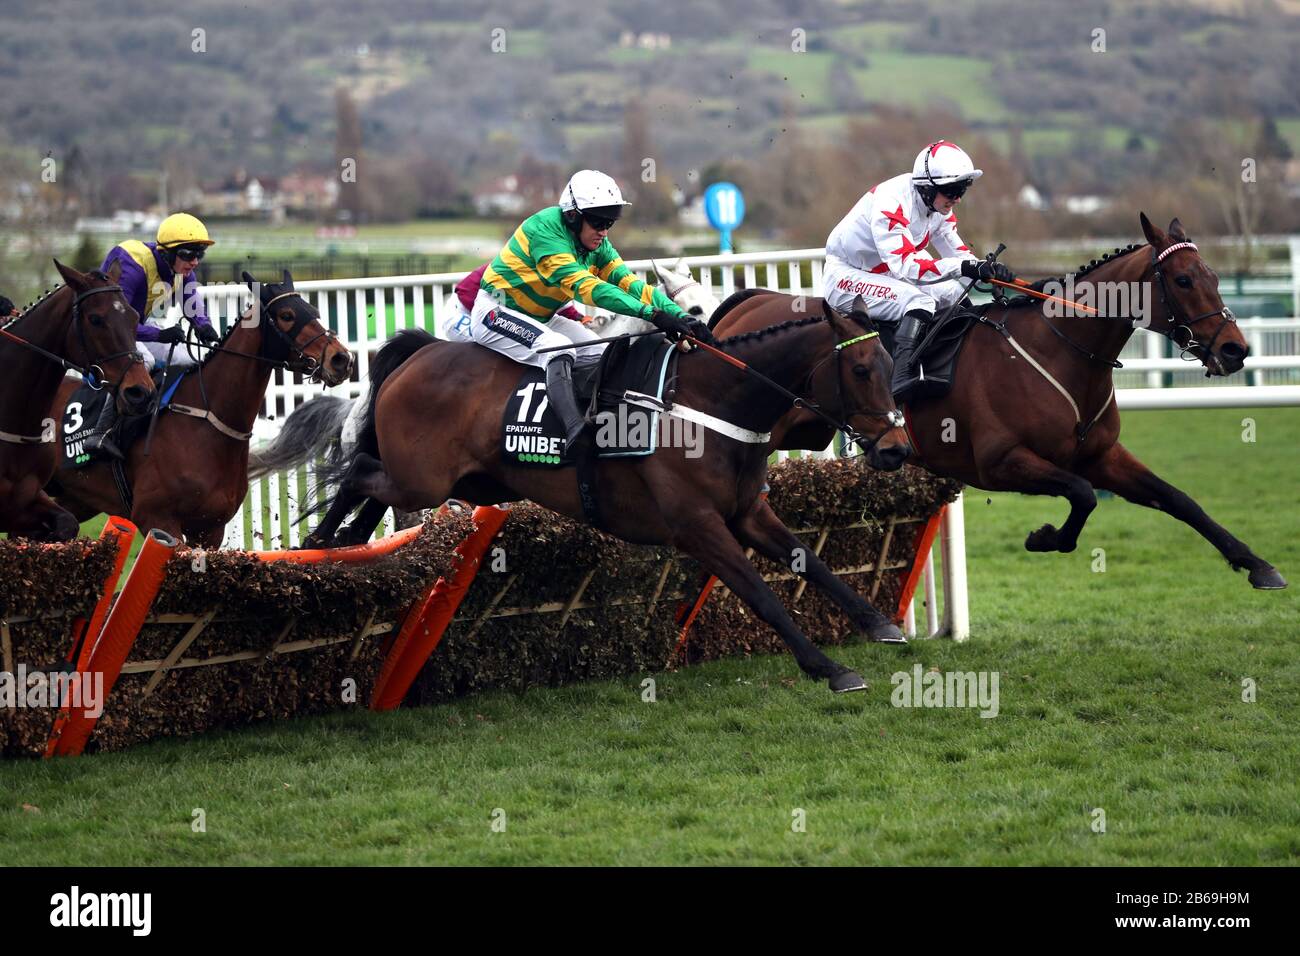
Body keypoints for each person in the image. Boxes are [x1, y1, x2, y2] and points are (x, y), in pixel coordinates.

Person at [470, 169, 712, 451]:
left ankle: (603, 419)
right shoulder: (544, 231)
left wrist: (679, 314)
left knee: (601, 354)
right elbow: (587, 288)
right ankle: (572, 428)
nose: (604, 231)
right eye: (598, 222)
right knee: (559, 347)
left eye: (609, 222)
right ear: (572, 215)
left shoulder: (598, 244)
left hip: (542, 317)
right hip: (495, 313)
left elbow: (631, 284)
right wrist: (652, 315)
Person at [822, 141, 1017, 399]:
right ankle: (901, 377)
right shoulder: (891, 203)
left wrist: (986, 269)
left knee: (951, 292)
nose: (957, 198)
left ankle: (971, 360)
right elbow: (905, 265)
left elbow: (958, 254)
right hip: (846, 275)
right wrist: (966, 266)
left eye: (962, 190)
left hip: (884, 272)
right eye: (951, 191)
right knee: (919, 300)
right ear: (927, 187)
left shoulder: (938, 206)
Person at [84, 212, 221, 460]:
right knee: (143, 361)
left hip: (131, 334)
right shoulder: (133, 264)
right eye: (188, 254)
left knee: (189, 360)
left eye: (199, 254)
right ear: (167, 252)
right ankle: (101, 432)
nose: (194, 262)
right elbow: (117, 324)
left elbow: (193, 305)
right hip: (106, 336)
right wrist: (160, 334)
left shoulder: (182, 272)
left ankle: (162, 421)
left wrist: (205, 327)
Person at [447, 261, 588, 343]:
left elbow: (563, 307)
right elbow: (467, 295)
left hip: (490, 313)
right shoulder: (515, 267)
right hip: (462, 314)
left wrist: (580, 318)